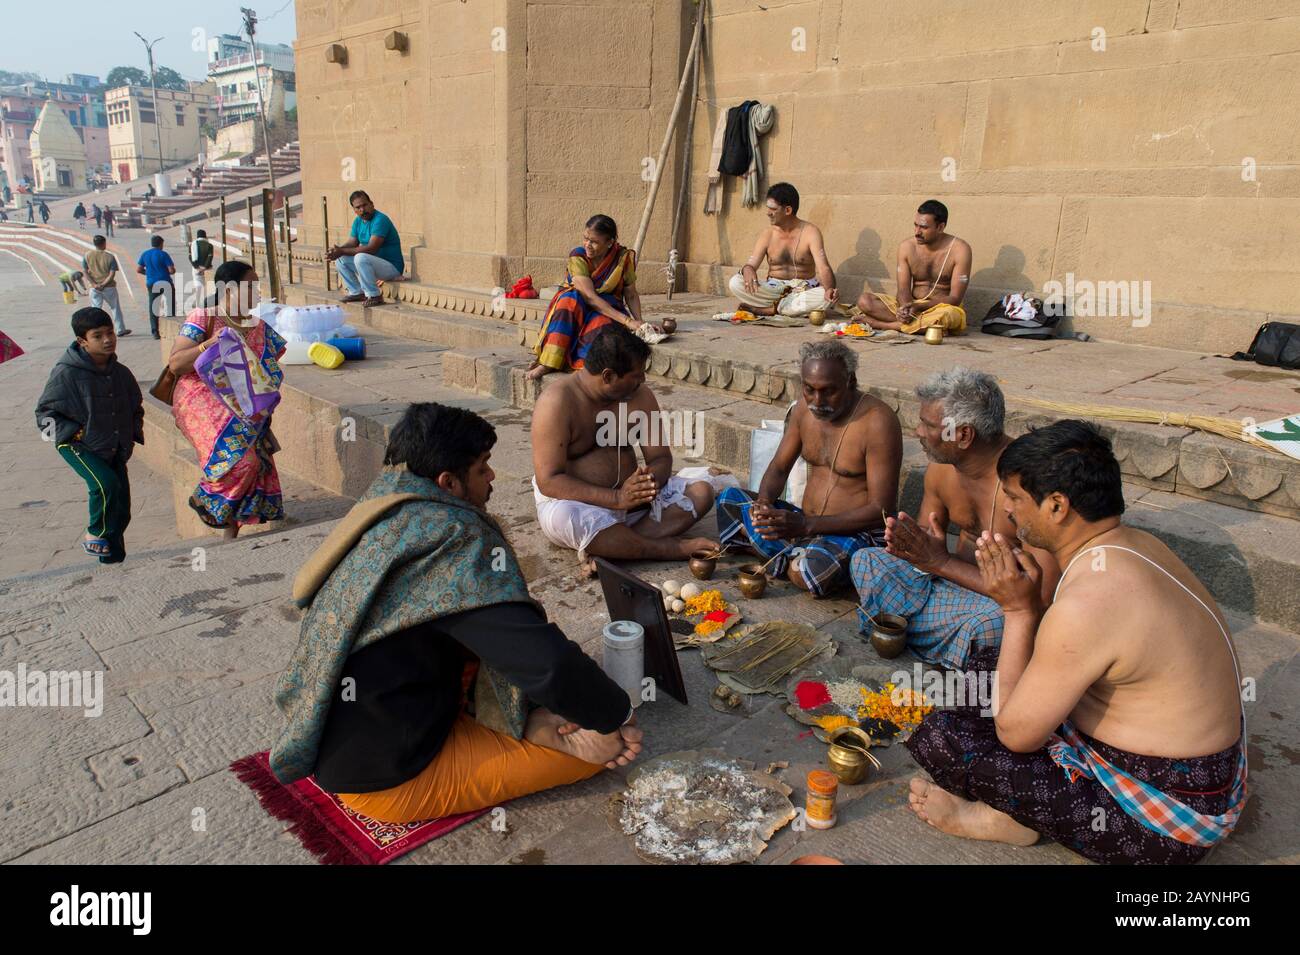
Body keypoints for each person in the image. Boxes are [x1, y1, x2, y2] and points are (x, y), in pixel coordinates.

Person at [269, 402, 643, 822]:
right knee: (596, 754)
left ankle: (530, 722)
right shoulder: (452, 538)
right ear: (448, 482)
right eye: (483, 467)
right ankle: (540, 729)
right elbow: (545, 662)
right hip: (383, 776)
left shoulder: (386, 504)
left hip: (358, 725)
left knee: (519, 668)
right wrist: (614, 713)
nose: (492, 477)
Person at [905, 421, 1247, 865]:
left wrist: (1018, 610)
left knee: (945, 738)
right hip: (1207, 770)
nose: (1007, 510)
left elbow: (1016, 737)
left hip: (1167, 821)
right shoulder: (1136, 543)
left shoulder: (1091, 601)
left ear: (1056, 505)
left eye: (1013, 497)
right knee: (984, 666)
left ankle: (1006, 820)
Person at [851, 368, 1057, 669]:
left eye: (928, 424)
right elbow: (926, 547)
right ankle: (945, 644)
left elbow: (1040, 597)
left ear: (963, 435)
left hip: (995, 602)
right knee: (866, 561)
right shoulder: (942, 466)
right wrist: (914, 546)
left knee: (991, 627)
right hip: (943, 584)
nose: (918, 432)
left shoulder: (1028, 483)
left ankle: (918, 632)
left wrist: (942, 563)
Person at [716, 340, 901, 596]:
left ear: (851, 381)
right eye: (809, 389)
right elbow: (779, 467)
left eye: (828, 391)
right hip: (801, 526)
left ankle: (787, 557)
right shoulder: (803, 410)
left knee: (810, 570)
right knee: (729, 501)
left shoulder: (878, 421)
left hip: (854, 533)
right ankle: (793, 556)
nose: (817, 400)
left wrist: (804, 525)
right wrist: (765, 503)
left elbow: (880, 510)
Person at [531, 324, 720, 576]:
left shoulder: (639, 396)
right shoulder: (557, 401)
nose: (642, 381)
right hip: (580, 507)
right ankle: (665, 548)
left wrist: (645, 485)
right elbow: (549, 481)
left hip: (634, 507)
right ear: (608, 376)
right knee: (563, 517)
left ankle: (615, 548)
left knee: (701, 492)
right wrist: (616, 499)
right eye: (636, 375)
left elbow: (661, 457)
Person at [167, 260, 286, 538]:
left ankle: (229, 536)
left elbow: (269, 367)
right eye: (251, 286)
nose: (258, 292)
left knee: (254, 461)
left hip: (244, 403)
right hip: (200, 398)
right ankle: (206, 500)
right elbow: (176, 363)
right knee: (241, 461)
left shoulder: (260, 327)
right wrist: (209, 343)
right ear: (230, 289)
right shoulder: (203, 317)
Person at [33, 307, 143, 564]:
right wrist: (72, 434)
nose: (107, 340)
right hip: (77, 445)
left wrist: (130, 434)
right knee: (105, 485)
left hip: (114, 445)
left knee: (121, 509)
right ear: (82, 341)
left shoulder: (121, 372)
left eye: (110, 333)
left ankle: (112, 562)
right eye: (98, 335)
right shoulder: (66, 373)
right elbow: (44, 415)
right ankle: (95, 533)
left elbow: (136, 405)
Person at [528, 214, 660, 381]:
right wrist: (628, 321)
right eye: (585, 239)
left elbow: (631, 294)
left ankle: (585, 367)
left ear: (610, 242)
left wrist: (640, 324)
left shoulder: (623, 259)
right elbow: (589, 297)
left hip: (608, 308)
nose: (587, 245)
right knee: (569, 299)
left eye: (594, 242)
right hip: (580, 304)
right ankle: (548, 363)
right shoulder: (578, 256)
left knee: (601, 324)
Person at [856, 200, 971, 335]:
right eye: (915, 225)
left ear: (940, 227)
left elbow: (955, 298)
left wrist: (919, 306)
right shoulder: (907, 247)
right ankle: (922, 326)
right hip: (912, 305)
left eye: (924, 227)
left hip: (939, 308)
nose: (917, 232)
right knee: (865, 301)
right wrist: (906, 308)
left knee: (949, 315)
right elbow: (903, 289)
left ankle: (882, 324)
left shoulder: (960, 249)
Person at [728, 182, 838, 318]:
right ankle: (785, 308)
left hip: (803, 290)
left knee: (824, 297)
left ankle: (769, 309)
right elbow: (751, 265)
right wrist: (747, 270)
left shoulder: (810, 232)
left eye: (773, 209)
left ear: (787, 210)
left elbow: (823, 268)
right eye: (768, 208)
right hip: (773, 290)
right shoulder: (767, 234)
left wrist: (829, 290)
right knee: (735, 283)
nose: (768, 213)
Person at [326, 189, 403, 307]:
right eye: (358, 207)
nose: (362, 210)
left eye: (365, 205)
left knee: (360, 257)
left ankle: (374, 295)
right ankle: (357, 292)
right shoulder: (358, 221)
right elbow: (352, 242)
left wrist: (341, 251)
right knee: (341, 259)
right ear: (354, 210)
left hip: (391, 267)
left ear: (371, 204)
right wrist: (337, 251)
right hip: (373, 265)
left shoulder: (380, 219)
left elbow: (372, 248)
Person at [82, 235, 130, 337]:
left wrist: (94, 284)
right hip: (109, 287)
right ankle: (120, 329)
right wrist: (103, 284)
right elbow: (112, 274)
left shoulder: (87, 255)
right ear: (104, 243)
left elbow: (85, 272)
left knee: (95, 309)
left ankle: (95, 332)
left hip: (94, 288)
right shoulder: (110, 257)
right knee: (115, 308)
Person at [136, 234, 176, 339]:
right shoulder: (163, 254)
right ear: (161, 244)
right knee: (170, 306)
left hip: (152, 283)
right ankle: (171, 328)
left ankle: (155, 332)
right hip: (165, 282)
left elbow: (139, 269)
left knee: (153, 307)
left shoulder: (145, 254)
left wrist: (149, 273)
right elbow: (171, 270)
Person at [190, 229, 214, 304]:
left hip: (196, 269)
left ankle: (199, 305)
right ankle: (208, 304)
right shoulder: (209, 245)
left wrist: (197, 267)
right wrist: (205, 267)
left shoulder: (193, 244)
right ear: (205, 236)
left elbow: (190, 257)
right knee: (209, 288)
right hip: (207, 269)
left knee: (198, 287)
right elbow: (210, 257)